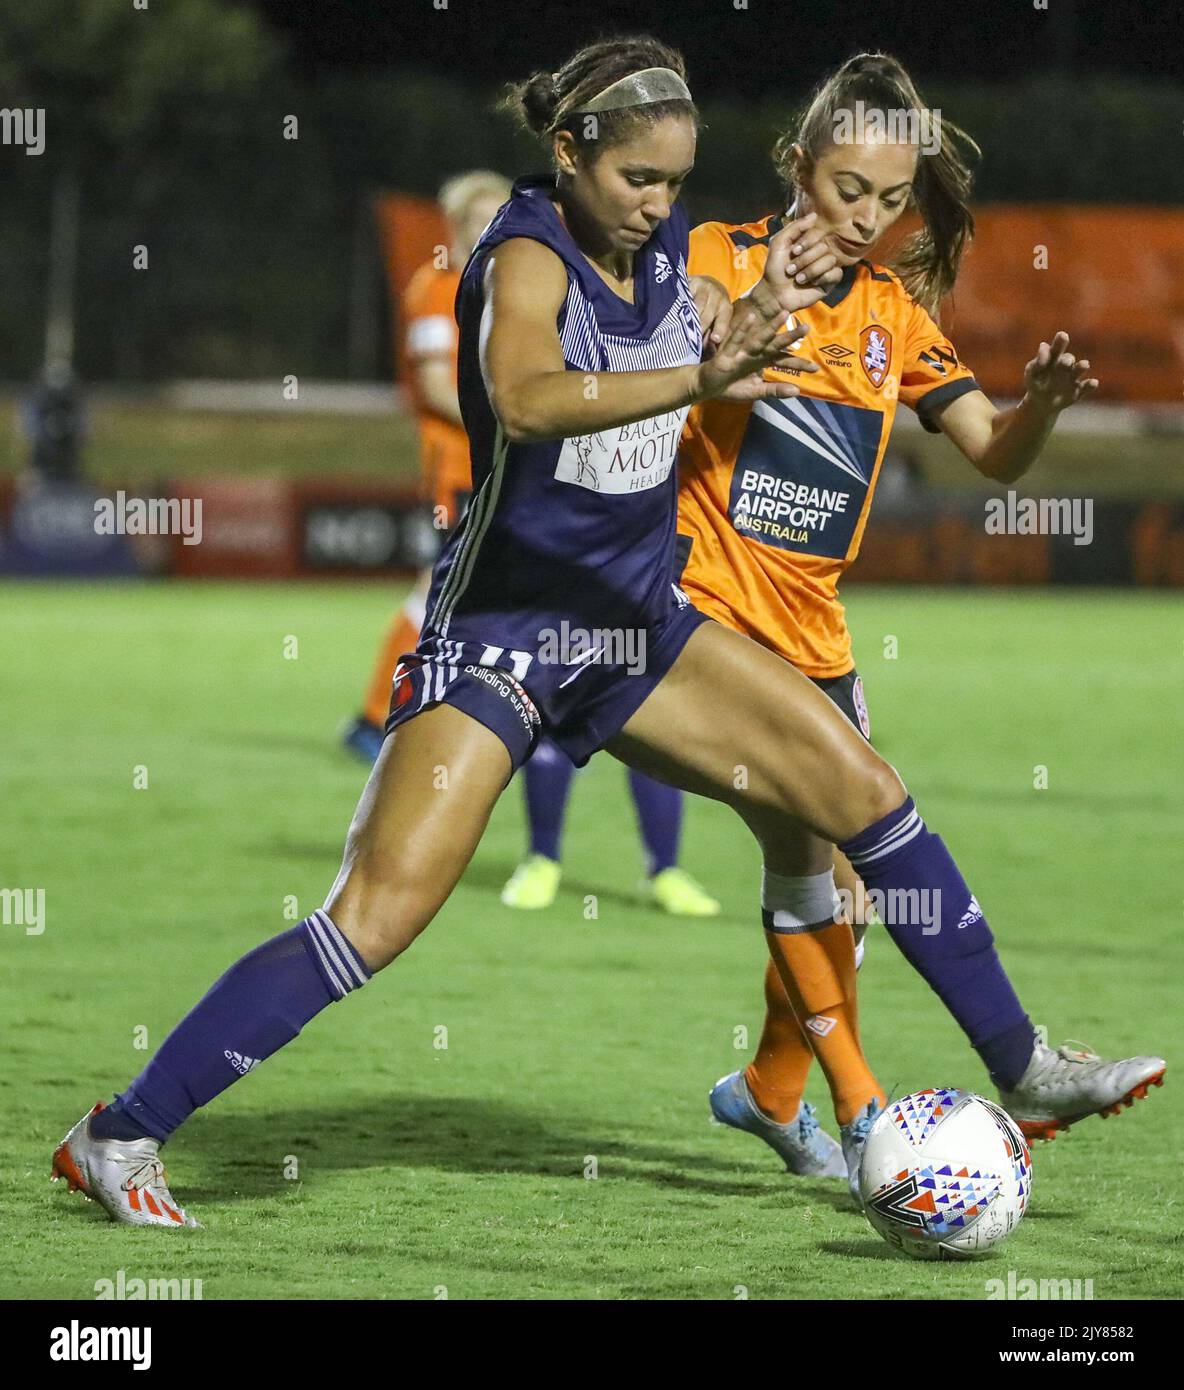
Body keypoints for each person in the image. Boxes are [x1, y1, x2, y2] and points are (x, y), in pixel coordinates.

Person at [52, 37, 1158, 1229]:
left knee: (860, 791)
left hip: (638, 626)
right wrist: (705, 371)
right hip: (504, 637)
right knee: (372, 919)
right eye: (637, 178)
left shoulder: (675, 252)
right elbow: (525, 398)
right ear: (569, 152)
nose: (658, 204)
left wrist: (764, 320)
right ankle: (118, 1132)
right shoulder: (525, 249)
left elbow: (754, 344)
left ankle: (1017, 1062)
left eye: (675, 182)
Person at [677, 53, 1164, 1171]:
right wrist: (757, 312)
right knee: (821, 857)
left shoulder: (896, 316)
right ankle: (871, 1118)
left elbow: (991, 455)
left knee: (833, 887)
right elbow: (697, 343)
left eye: (893, 199)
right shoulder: (718, 254)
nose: (867, 218)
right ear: (797, 166)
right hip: (706, 626)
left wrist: (1035, 407)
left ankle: (768, 1088)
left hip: (817, 641)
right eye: (846, 187)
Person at [345, 173, 721, 919]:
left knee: (634, 672)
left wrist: (713, 292)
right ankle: (536, 852)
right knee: (509, 651)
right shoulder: (451, 283)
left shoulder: (630, 264)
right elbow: (476, 389)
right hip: (488, 490)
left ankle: (664, 868)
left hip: (610, 516)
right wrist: (514, 404)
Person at [343, 170, 510, 763]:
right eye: (479, 217)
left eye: (502, 214)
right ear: (456, 228)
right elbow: (438, 386)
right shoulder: (437, 287)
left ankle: (446, 714)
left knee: (475, 597)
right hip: (458, 471)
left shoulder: (507, 290)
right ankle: (373, 717)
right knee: (436, 592)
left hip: (498, 469)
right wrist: (518, 419)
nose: (493, 227)